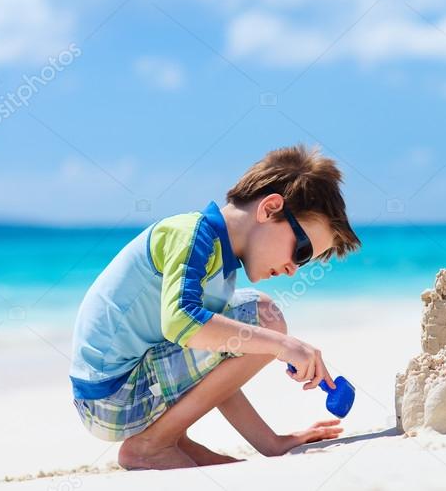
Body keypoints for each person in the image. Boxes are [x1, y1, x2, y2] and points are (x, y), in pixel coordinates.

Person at [69, 144, 361, 469]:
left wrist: (270, 442)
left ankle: (169, 437)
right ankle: (151, 445)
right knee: (265, 317)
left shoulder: (222, 266)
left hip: (121, 394)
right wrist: (281, 344)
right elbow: (180, 322)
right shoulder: (192, 236)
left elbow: (215, 366)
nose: (294, 269)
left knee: (248, 323)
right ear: (269, 209)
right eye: (302, 251)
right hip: (112, 396)